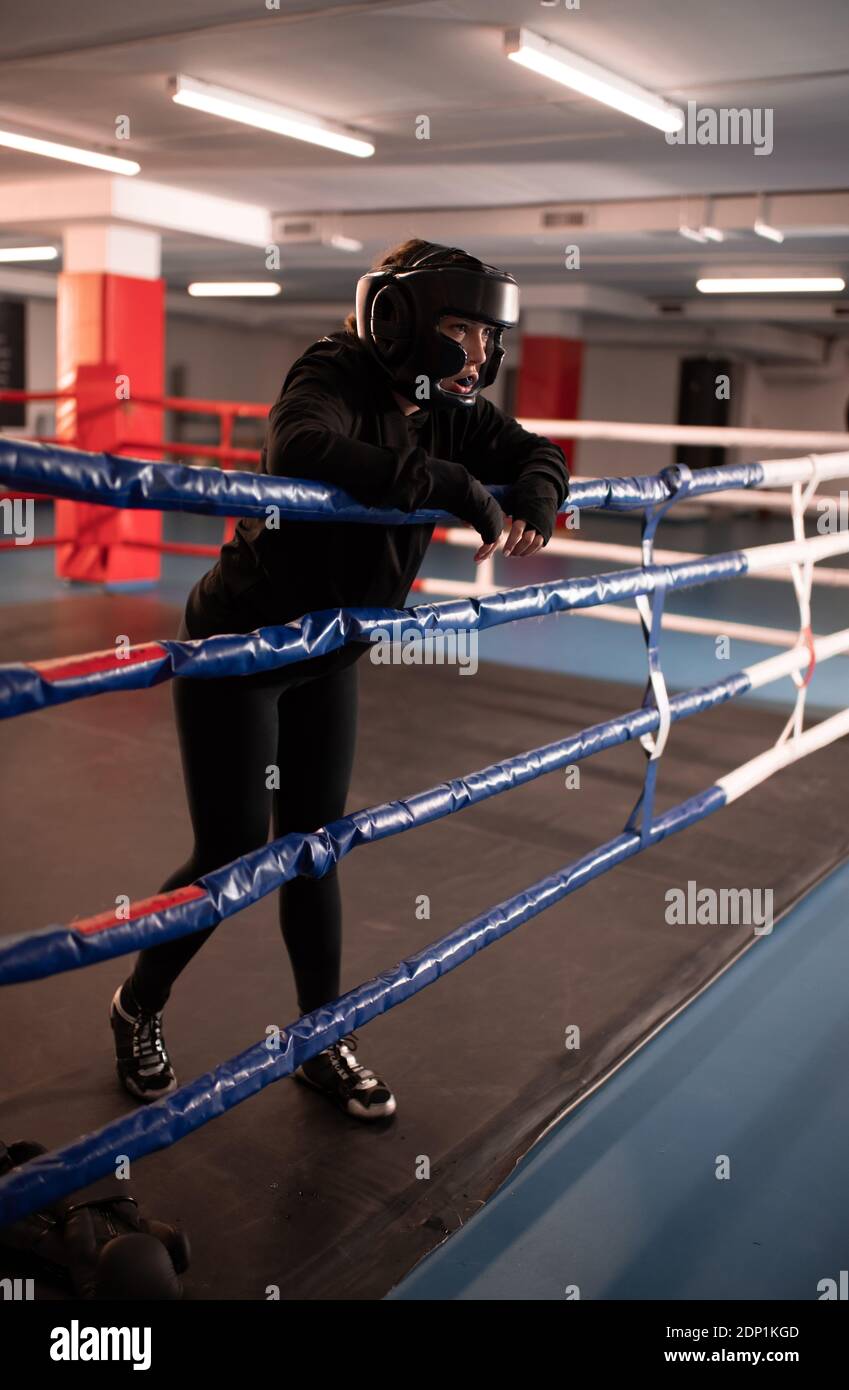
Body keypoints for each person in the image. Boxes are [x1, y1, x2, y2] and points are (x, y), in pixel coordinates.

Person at [110, 239, 570, 1120]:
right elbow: (298, 447)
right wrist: (442, 482)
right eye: (460, 329)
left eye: (487, 335)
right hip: (243, 649)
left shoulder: (447, 405)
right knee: (235, 849)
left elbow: (534, 450)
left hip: (332, 650)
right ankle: (138, 1005)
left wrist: (535, 494)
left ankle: (321, 1037)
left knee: (316, 848)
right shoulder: (332, 369)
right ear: (397, 320)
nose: (479, 355)